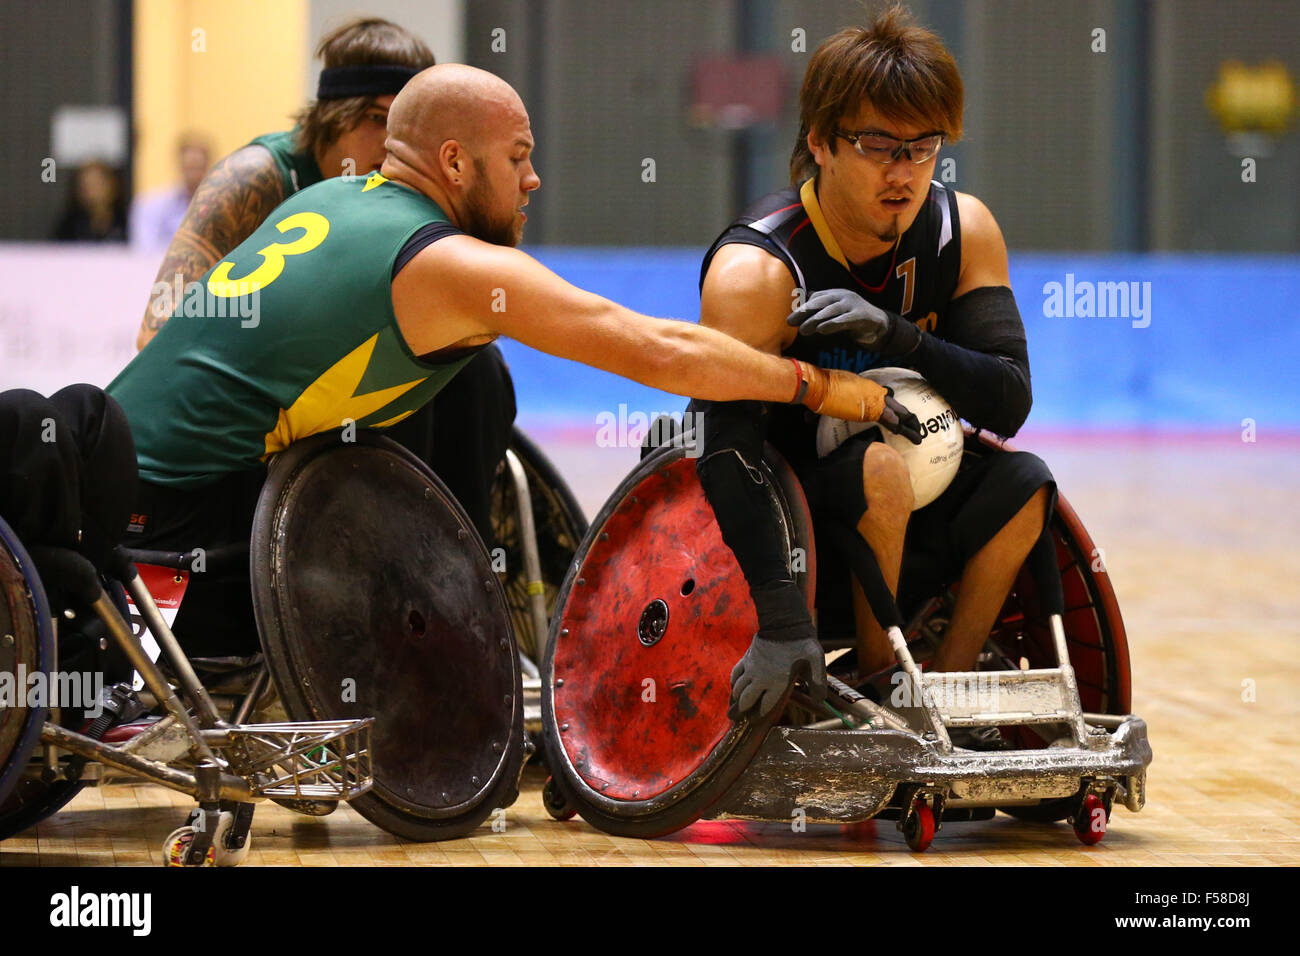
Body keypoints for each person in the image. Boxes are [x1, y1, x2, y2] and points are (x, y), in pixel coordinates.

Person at [105, 63, 913, 658]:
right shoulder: (449, 266)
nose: (534, 178)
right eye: (518, 156)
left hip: (120, 469)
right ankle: (440, 651)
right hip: (175, 505)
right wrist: (826, 387)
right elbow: (661, 350)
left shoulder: (330, 199)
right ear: (454, 162)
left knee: (469, 381)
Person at [693, 6, 1055, 730]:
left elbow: (1009, 401)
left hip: (920, 515)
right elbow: (723, 447)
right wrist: (779, 613)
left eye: (923, 147)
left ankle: (942, 696)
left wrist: (902, 338)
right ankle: (881, 682)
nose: (904, 171)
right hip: (798, 535)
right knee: (879, 471)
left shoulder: (963, 229)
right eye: (878, 145)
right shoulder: (756, 270)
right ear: (821, 143)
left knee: (1027, 481)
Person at [129, 19, 509, 543]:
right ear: (334, 115)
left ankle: (459, 559)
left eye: (411, 123)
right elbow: (158, 330)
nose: (397, 141)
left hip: (353, 394)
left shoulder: (411, 184)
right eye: (380, 118)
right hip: (262, 410)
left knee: (475, 365)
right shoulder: (256, 177)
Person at [128, 133, 213, 252]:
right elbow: (144, 248)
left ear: (208, 167)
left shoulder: (221, 207)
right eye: (190, 167)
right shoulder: (150, 204)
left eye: (198, 167)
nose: (194, 174)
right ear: (180, 166)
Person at [52, 161, 127, 242]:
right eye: (86, 185)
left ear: (113, 185)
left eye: (98, 184)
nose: (92, 191)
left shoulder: (127, 223)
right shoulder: (68, 227)